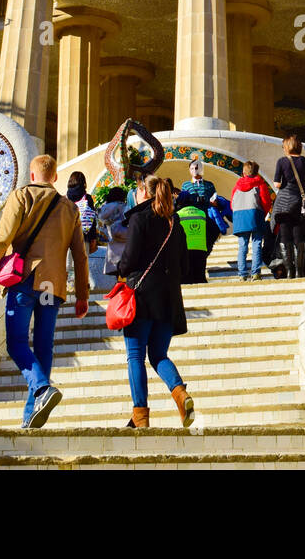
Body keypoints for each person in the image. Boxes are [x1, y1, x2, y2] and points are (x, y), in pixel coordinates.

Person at [0, 155, 89, 429]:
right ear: (56, 177)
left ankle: (41, 389)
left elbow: (3, 238)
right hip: (53, 285)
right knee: (43, 346)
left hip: (24, 280)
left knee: (16, 343)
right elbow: (80, 255)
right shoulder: (69, 208)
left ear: (32, 174)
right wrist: (82, 295)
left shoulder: (21, 196)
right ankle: (32, 413)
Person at [108, 175, 193, 428]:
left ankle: (141, 416)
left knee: (135, 356)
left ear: (143, 191)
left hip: (142, 297)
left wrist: (119, 268)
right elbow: (185, 266)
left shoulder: (139, 218)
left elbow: (130, 258)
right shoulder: (174, 223)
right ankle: (180, 393)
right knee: (158, 354)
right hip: (169, 301)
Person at [272, 135, 305, 278]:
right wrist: (301, 185)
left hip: (283, 202)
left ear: (287, 146)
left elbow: (277, 184)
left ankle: (289, 271)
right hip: (298, 201)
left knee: (285, 236)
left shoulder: (282, 161)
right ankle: (299, 271)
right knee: (298, 235)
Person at [231, 162, 273, 281]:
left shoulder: (237, 185)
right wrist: (262, 213)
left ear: (244, 172)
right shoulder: (260, 183)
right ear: (256, 172)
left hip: (240, 216)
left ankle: (242, 274)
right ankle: (255, 273)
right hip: (255, 215)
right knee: (257, 244)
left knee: (242, 246)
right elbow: (266, 201)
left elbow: (232, 203)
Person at [66, 171, 99, 253]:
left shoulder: (65, 199)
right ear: (84, 183)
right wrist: (93, 238)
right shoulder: (87, 198)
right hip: (83, 237)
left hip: (67, 238)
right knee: (82, 264)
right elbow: (92, 219)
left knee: (67, 265)